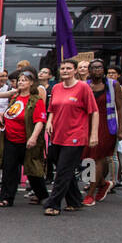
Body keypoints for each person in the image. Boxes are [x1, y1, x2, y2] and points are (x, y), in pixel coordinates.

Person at [42, 58, 99, 216]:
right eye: (63, 68)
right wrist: (49, 122)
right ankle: (74, 200)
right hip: (58, 135)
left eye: (68, 68)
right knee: (62, 167)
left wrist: (93, 134)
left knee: (63, 170)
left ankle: (53, 204)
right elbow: (52, 108)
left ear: (75, 71)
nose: (65, 71)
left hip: (76, 135)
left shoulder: (83, 88)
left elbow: (94, 111)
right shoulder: (57, 88)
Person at [0, 69, 48, 207]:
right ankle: (6, 198)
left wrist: (34, 138)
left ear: (31, 83)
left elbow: (40, 121)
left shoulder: (36, 100)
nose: (21, 82)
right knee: (9, 169)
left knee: (32, 169)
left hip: (26, 140)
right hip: (10, 139)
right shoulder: (14, 97)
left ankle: (42, 195)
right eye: (19, 80)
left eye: (24, 80)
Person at [82, 56, 122, 204]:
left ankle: (90, 195)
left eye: (99, 67)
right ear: (89, 71)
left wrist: (120, 130)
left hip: (107, 126)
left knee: (98, 157)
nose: (97, 70)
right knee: (86, 158)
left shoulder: (113, 85)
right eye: (93, 67)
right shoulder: (84, 85)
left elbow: (120, 107)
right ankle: (102, 183)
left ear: (104, 70)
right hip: (87, 125)